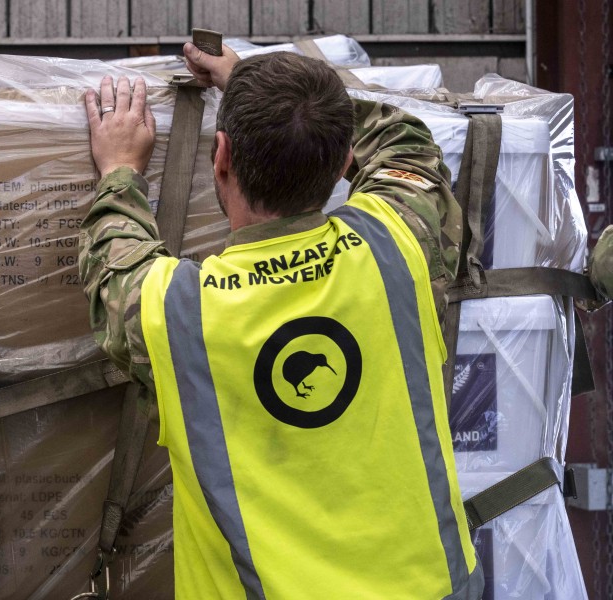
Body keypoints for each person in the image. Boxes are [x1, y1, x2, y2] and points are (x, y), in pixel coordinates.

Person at [78, 46, 485, 598]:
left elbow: (113, 267)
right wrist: (254, 81)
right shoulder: (397, 239)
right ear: (344, 162)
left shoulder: (178, 311)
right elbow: (405, 145)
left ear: (220, 157)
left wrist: (121, 169)